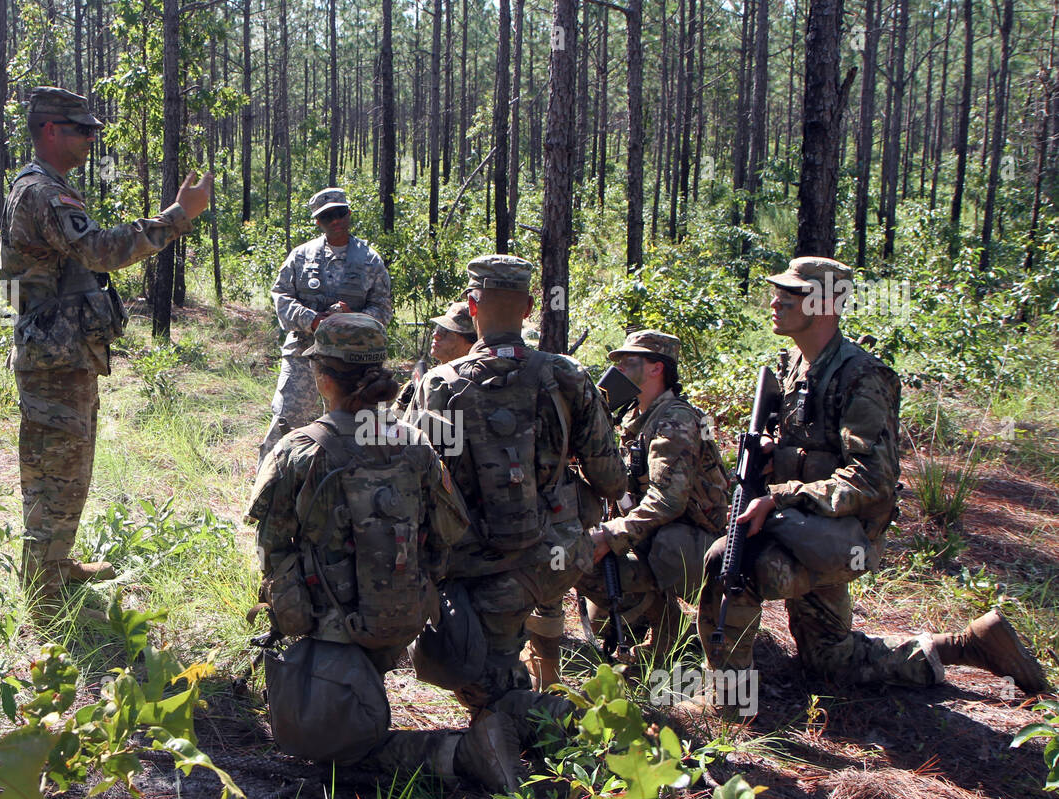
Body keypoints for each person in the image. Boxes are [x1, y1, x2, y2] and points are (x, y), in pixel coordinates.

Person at [696, 256, 1049, 699]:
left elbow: (870, 479)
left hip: (844, 538)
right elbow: (810, 445)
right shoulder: (793, 366)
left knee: (732, 563)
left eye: (792, 294)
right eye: (778, 292)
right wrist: (774, 453)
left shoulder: (862, 376)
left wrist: (782, 497)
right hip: (808, 528)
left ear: (825, 306)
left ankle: (729, 702)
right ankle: (967, 646)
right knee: (831, 660)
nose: (776, 301)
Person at [246, 314, 521, 790]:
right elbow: (448, 533)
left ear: (323, 376)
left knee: (325, 750)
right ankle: (526, 719)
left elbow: (272, 547)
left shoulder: (299, 450)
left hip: (329, 626)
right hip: (404, 618)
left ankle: (461, 753)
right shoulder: (414, 444)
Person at [0, 86, 212, 618]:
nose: (93, 138)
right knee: (56, 472)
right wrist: (177, 217)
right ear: (50, 129)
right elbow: (101, 249)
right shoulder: (45, 192)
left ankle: (54, 565)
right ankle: (44, 598)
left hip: (62, 353)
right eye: (82, 129)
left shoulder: (49, 187)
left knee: (64, 467)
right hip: (54, 358)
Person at [408, 255, 629, 755]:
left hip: (479, 567)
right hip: (558, 555)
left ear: (472, 307)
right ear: (530, 308)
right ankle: (539, 713)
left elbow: (420, 487)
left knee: (479, 673)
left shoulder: (439, 385)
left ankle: (566, 729)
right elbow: (611, 478)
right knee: (496, 656)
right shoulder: (567, 375)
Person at [573, 330, 729, 672]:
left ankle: (670, 633)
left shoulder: (675, 420)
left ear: (657, 368)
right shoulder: (635, 418)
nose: (619, 372)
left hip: (691, 543)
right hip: (655, 534)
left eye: (630, 363)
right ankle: (667, 622)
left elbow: (669, 501)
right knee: (601, 615)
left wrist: (612, 534)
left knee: (656, 548)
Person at [261, 187, 393, 462]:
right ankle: (272, 480)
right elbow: (281, 296)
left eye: (340, 213)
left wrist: (352, 320)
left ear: (349, 214)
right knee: (287, 420)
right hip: (304, 354)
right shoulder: (301, 256)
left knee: (353, 427)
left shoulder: (369, 260)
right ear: (317, 222)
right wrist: (313, 320)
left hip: (352, 363)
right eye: (327, 216)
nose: (336, 220)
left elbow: (382, 308)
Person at [393, 300, 477, 414]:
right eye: (439, 328)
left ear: (470, 345)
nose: (436, 335)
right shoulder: (424, 379)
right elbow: (394, 419)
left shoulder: (474, 384)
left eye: (448, 332)